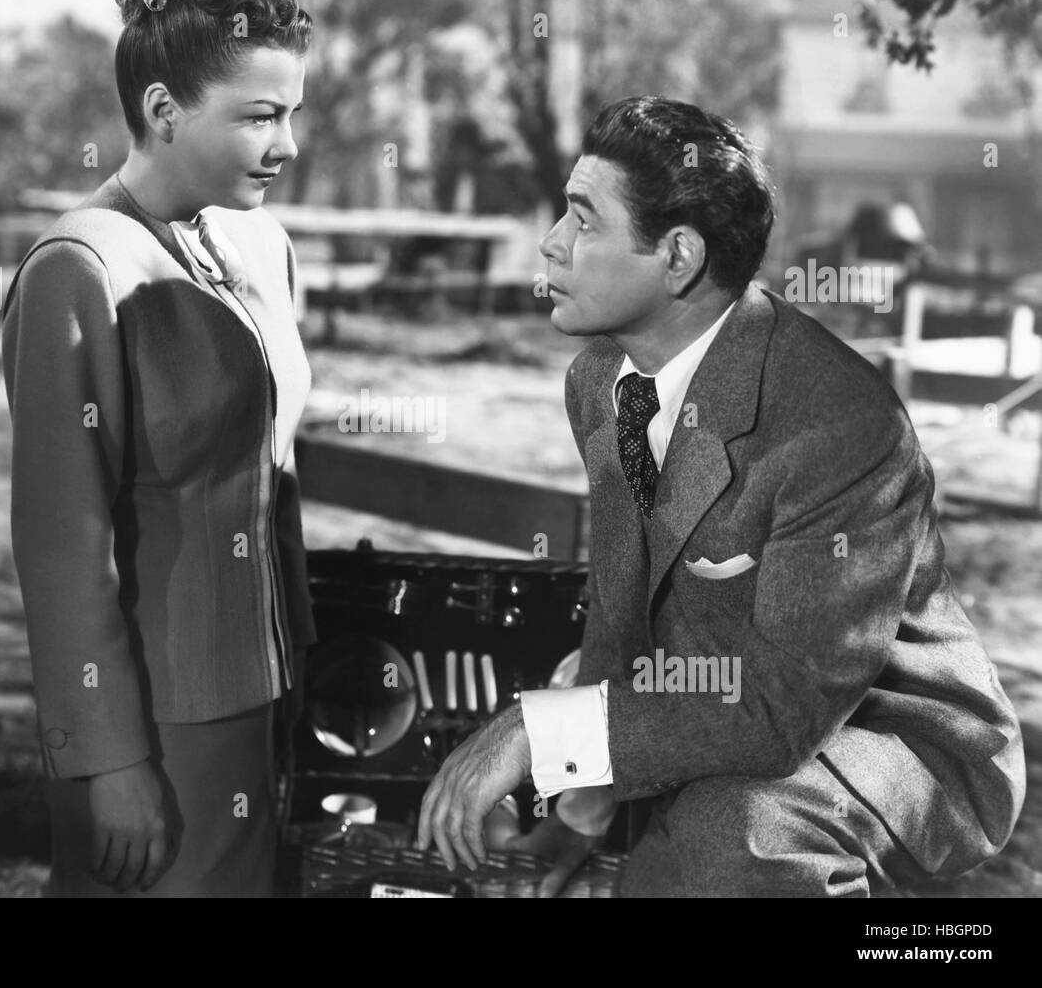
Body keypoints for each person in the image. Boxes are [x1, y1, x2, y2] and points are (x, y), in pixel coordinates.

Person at [416, 95, 1025, 898]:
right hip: (720, 694)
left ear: (677, 258)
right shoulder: (599, 378)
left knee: (728, 837)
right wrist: (576, 813)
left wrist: (538, 728)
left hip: (893, 737)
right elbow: (620, 606)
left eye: (584, 220)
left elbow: (784, 705)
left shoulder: (838, 423)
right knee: (641, 851)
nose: (551, 243)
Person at [0, 0, 316, 897]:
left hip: (272, 696)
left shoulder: (261, 244)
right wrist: (108, 760)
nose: (286, 145)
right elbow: (62, 544)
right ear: (163, 111)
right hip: (157, 724)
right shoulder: (78, 268)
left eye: (292, 113)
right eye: (259, 117)